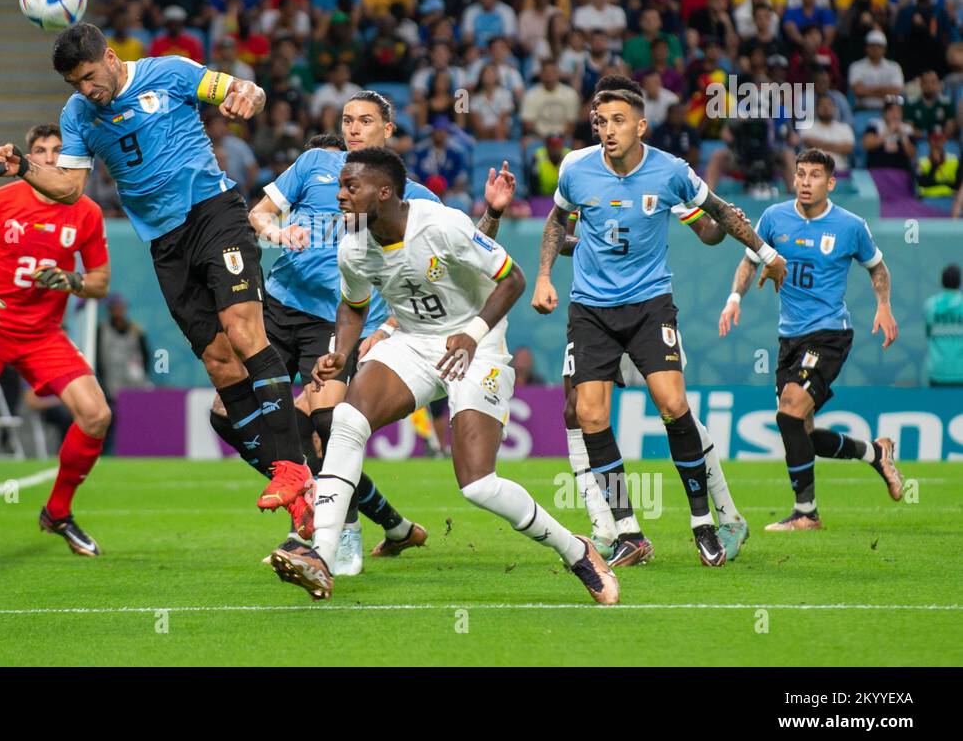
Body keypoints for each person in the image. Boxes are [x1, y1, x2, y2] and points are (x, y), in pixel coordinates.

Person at [0, 24, 315, 543]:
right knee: (217, 361)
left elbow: (235, 89)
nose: (86, 90)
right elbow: (71, 187)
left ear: (111, 58)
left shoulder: (170, 71)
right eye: (75, 83)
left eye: (90, 77)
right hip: (165, 244)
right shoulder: (78, 115)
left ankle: (293, 469)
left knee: (243, 330)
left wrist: (247, 94)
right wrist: (25, 167)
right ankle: (296, 475)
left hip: (214, 214)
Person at [269, 148, 619, 605]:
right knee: (347, 421)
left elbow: (511, 278)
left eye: (350, 187)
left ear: (384, 191)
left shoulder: (441, 224)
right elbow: (353, 307)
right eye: (340, 186)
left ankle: (577, 551)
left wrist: (472, 336)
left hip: (478, 344)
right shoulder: (353, 245)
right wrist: (339, 353)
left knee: (477, 484)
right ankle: (323, 553)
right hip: (413, 342)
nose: (339, 196)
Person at [244, 91, 518, 574]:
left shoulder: (409, 195)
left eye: (365, 120)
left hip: (344, 322)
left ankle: (333, 536)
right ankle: (389, 522)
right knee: (232, 416)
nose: (352, 128)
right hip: (282, 305)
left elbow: (468, 255)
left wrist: (389, 327)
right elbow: (259, 214)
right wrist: (277, 233)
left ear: (387, 130)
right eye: (346, 119)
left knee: (330, 423)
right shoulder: (313, 165)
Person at [533, 75, 784, 566]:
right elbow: (556, 222)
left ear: (641, 126)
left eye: (619, 121)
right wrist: (544, 274)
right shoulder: (576, 169)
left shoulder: (672, 172)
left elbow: (716, 221)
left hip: (649, 304)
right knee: (588, 416)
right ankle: (628, 530)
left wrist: (766, 253)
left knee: (672, 404)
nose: (608, 129)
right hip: (590, 309)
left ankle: (703, 524)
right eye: (600, 121)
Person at [0, 123, 112, 559]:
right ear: (30, 158)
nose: (52, 157)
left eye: (60, 150)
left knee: (96, 415)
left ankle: (57, 511)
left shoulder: (87, 213)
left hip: (42, 333)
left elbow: (100, 282)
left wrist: (72, 281)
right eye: (42, 150)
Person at [719, 149, 905, 530]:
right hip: (789, 338)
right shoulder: (774, 218)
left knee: (788, 412)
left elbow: (877, 267)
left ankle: (806, 513)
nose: (805, 182)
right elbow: (750, 260)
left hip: (830, 334)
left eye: (814, 176)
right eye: (800, 174)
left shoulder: (849, 225)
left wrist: (883, 306)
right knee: (799, 429)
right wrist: (734, 298)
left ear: (830, 183)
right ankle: (875, 452)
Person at [94, 293, 152, 452]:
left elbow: (146, 356)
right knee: (109, 418)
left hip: (133, 384)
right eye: (115, 308)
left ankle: (136, 449)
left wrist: (142, 377)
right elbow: (98, 359)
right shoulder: (102, 331)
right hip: (110, 384)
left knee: (135, 419)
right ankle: (107, 451)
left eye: (121, 307)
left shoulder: (136, 331)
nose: (118, 311)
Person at [924, 264, 963, 386]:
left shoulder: (930, 305)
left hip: (937, 372)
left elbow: (928, 334)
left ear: (942, 281)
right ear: (959, 282)